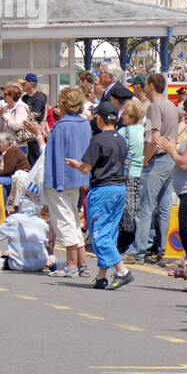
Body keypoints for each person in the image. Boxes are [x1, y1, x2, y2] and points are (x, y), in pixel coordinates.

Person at [66, 100, 133, 290]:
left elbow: (86, 168)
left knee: (99, 235)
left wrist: (74, 164)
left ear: (100, 120)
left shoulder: (98, 140)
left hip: (102, 189)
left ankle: (122, 270)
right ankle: (102, 275)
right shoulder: (120, 139)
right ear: (116, 118)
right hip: (119, 188)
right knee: (110, 231)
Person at [125, 72, 181, 265]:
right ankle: (164, 248)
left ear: (150, 86)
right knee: (164, 207)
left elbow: (153, 137)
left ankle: (138, 250)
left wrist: (147, 158)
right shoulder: (171, 106)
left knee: (145, 206)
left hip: (157, 158)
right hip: (170, 158)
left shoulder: (155, 107)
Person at [35, 87, 92, 278]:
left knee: (64, 222)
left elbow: (56, 155)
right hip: (78, 177)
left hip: (60, 179)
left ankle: (71, 264)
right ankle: (82, 262)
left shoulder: (61, 126)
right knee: (74, 220)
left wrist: (57, 182)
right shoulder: (85, 124)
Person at [154, 94, 187, 294]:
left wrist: (172, 150)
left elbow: (185, 162)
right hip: (186, 192)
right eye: (185, 111)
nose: (185, 114)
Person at [0, 199, 55, 272]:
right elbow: (44, 245)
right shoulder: (43, 224)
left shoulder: (13, 219)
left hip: (18, 264)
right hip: (39, 265)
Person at [116, 98, 147, 254]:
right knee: (142, 209)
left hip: (128, 175)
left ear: (131, 115)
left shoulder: (123, 132)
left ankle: (127, 240)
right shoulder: (144, 131)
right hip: (142, 173)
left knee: (128, 210)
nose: (122, 117)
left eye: (125, 114)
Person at [0, 133, 30, 203]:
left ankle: (0, 206)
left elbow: (7, 171)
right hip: (12, 176)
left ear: (6, 143)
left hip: (20, 178)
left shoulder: (12, 151)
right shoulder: (5, 153)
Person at [20, 74, 47, 164]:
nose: (22, 85)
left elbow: (33, 115)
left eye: (24, 83)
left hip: (34, 132)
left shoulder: (39, 98)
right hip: (24, 132)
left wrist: (27, 116)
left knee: (34, 158)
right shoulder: (24, 98)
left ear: (30, 84)